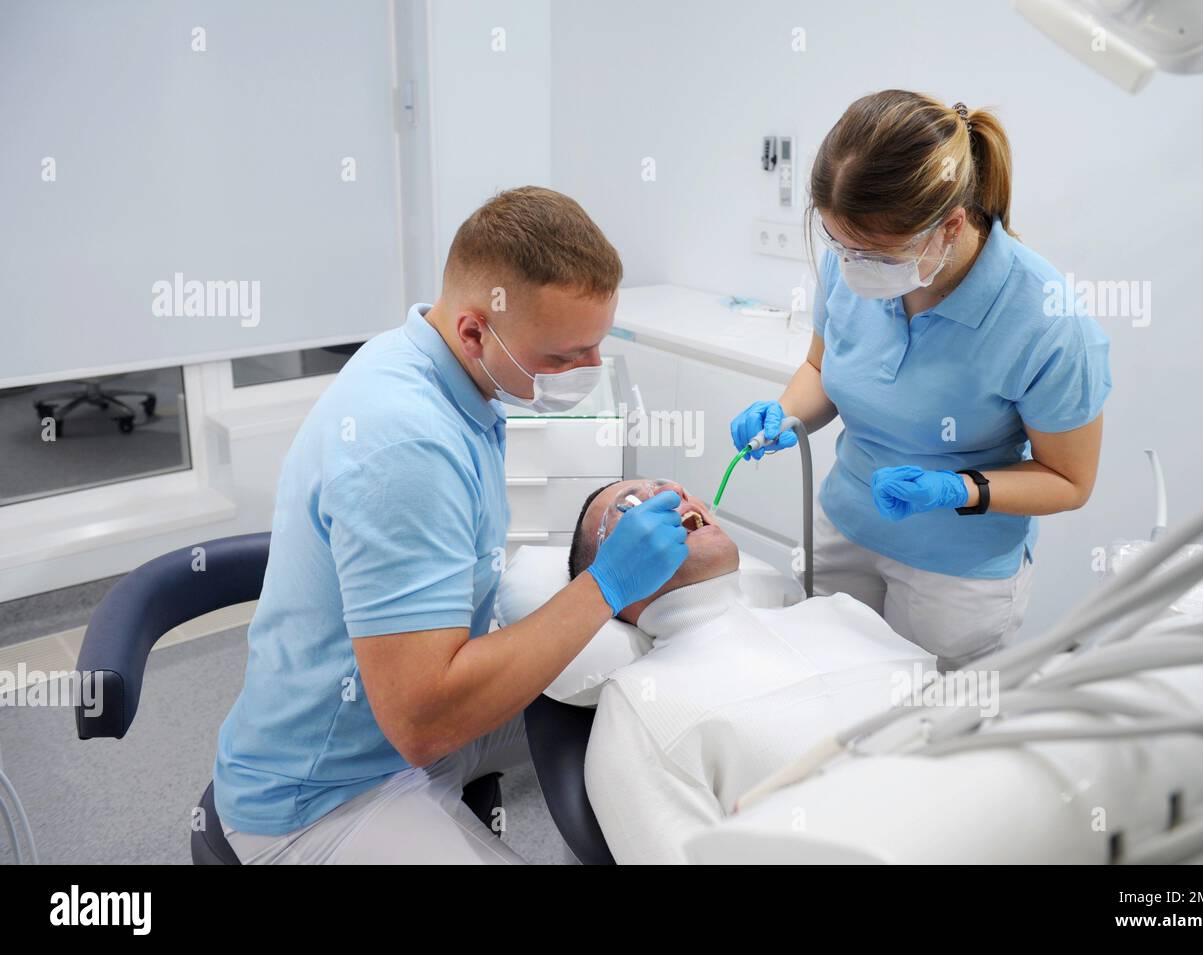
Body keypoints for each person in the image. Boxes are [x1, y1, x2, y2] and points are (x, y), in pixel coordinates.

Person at [214, 188, 689, 864]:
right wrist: (606, 584)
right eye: (561, 357)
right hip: (326, 794)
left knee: (632, 707)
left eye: (596, 348)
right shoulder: (406, 442)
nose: (587, 373)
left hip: (396, 720)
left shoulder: (446, 372)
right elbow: (421, 722)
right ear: (474, 331)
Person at [730, 90, 1112, 670]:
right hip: (846, 526)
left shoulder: (1048, 321)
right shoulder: (850, 257)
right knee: (822, 693)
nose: (850, 265)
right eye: (839, 245)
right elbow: (820, 368)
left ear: (950, 225)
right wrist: (785, 413)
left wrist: (959, 489)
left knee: (919, 732)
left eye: (876, 255)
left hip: (956, 576)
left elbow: (1068, 479)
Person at [568, 479, 932, 865]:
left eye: (669, 487)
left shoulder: (843, 612)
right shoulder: (639, 702)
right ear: (609, 570)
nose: (673, 495)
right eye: (632, 505)